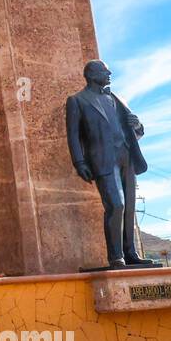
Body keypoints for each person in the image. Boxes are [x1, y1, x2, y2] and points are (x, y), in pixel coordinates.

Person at [65, 59, 149, 268]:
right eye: (105, 71)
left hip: (126, 157)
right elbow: (73, 136)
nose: (109, 74)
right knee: (116, 205)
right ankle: (115, 256)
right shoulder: (77, 101)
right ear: (92, 74)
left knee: (129, 207)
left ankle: (130, 253)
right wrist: (79, 162)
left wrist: (137, 124)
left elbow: (136, 131)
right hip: (102, 160)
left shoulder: (117, 98)